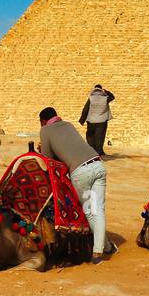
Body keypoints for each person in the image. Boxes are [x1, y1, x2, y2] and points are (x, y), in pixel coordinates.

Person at [37, 106, 113, 263]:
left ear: (43, 121)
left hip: (81, 172)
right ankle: (105, 246)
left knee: (91, 211)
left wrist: (41, 149)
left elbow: (47, 159)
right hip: (98, 165)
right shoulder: (68, 125)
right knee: (98, 209)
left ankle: (98, 253)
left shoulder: (45, 131)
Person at [78, 84, 115, 156]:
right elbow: (112, 97)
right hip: (102, 122)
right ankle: (98, 152)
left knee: (90, 136)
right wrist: (106, 91)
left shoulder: (91, 98)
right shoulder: (105, 99)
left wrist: (82, 120)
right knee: (100, 137)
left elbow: (86, 109)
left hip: (91, 121)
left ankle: (92, 151)